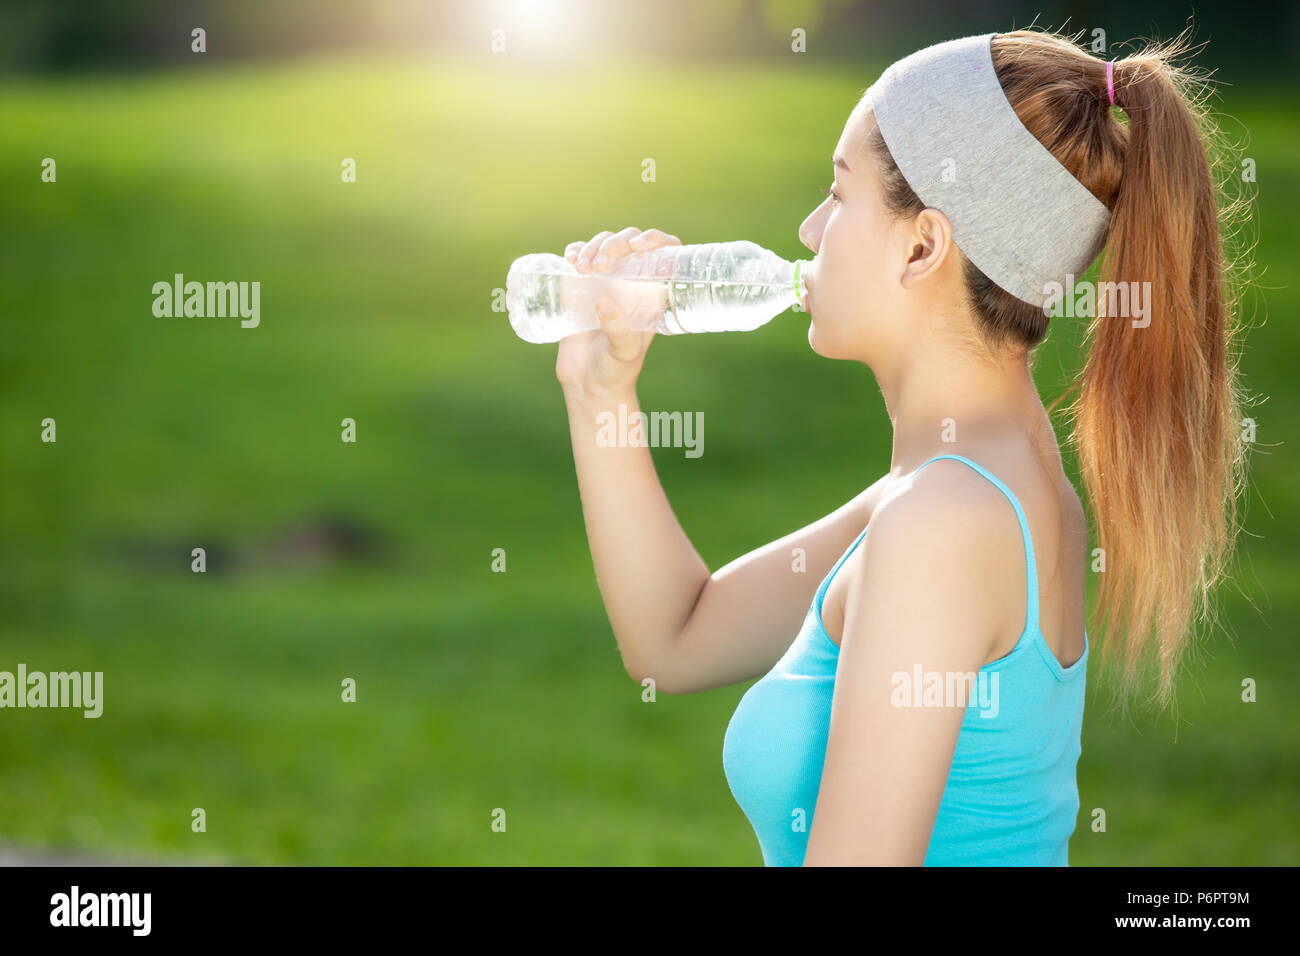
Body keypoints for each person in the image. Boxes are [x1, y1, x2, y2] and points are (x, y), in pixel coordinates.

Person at [553, 27, 1248, 865]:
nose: (810, 229)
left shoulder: (946, 519)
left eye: (840, 194)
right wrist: (601, 394)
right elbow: (676, 637)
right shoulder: (958, 487)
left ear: (922, 246)